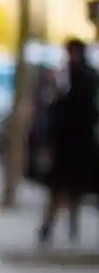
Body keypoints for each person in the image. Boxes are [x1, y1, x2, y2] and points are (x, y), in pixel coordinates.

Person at [36, 38, 99, 246]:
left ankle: (57, 227)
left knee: (63, 188)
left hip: (72, 142)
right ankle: (63, 227)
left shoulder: (76, 77)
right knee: (69, 189)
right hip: (75, 142)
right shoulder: (80, 75)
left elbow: (61, 109)